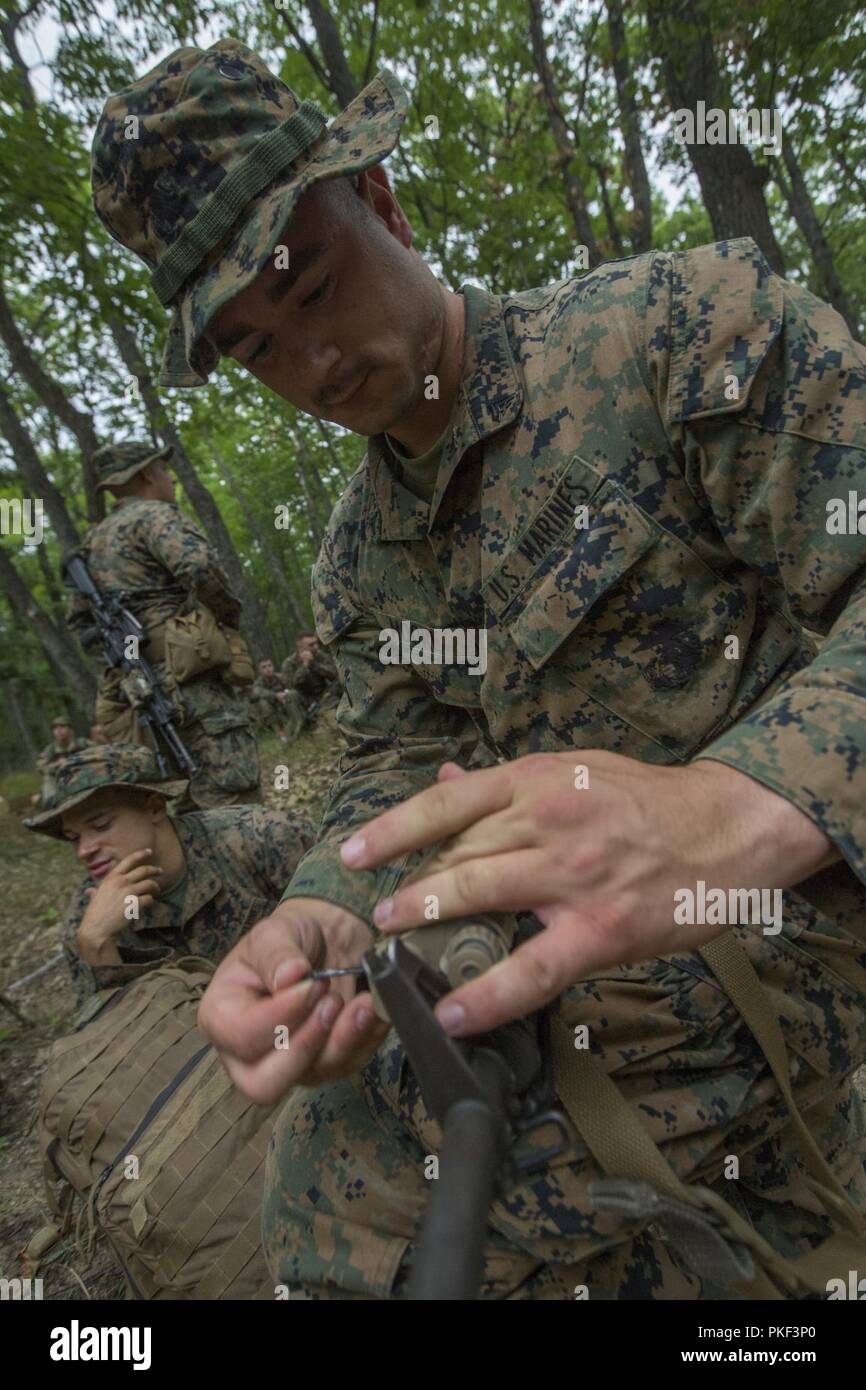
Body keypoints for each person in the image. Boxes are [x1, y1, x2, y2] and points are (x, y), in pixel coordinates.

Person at [91, 38, 866, 1299]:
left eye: (312, 287)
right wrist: (323, 904)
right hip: (550, 944)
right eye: (257, 349)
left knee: (428, 1196)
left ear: (382, 203)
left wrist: (731, 808)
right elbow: (394, 760)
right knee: (320, 1168)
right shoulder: (357, 557)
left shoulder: (674, 334)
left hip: (779, 915)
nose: (312, 364)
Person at [25, 743, 314, 1012]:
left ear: (154, 808)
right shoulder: (88, 924)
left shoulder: (263, 839)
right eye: (73, 838)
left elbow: (338, 931)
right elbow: (120, 1040)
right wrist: (98, 949)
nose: (83, 851)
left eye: (100, 825)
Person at [65, 439, 261, 810]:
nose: (171, 479)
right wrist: (224, 621)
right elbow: (199, 567)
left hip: (138, 691)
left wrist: (127, 659)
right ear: (147, 473)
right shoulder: (154, 516)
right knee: (234, 796)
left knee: (175, 802)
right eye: (165, 470)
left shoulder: (91, 545)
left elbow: (81, 624)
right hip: (191, 676)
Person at [280, 633, 340, 728]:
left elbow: (334, 674)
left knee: (341, 681)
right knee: (290, 695)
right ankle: (301, 726)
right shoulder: (289, 663)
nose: (316, 647)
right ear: (300, 648)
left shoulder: (320, 655)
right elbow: (291, 685)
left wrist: (314, 665)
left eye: (316, 643)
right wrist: (304, 666)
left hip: (324, 694)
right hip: (305, 698)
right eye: (311, 645)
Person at [35, 717, 92, 806]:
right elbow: (40, 767)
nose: (58, 730)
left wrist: (78, 759)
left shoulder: (82, 743)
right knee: (48, 778)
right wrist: (56, 765)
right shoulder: (50, 749)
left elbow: (99, 752)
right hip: (61, 781)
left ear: (70, 730)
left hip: (83, 775)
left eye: (62, 726)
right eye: (55, 728)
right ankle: (53, 803)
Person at [250, 657, 303, 739]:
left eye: (270, 665)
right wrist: (275, 695)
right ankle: (279, 731)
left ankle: (297, 721)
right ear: (259, 670)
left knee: (292, 694)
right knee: (263, 702)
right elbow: (257, 692)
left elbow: (291, 687)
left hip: (282, 706)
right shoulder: (258, 683)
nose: (268, 669)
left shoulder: (280, 677)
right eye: (264, 667)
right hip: (267, 714)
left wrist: (285, 694)